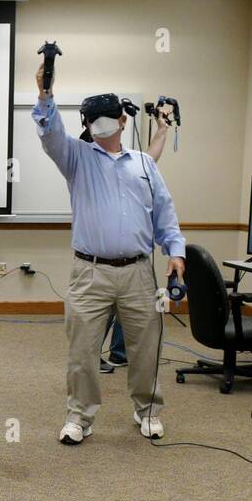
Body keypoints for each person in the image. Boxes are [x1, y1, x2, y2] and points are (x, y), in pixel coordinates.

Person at [34, 63, 186, 445]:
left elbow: (164, 212)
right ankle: (79, 417)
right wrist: (45, 94)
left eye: (108, 120)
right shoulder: (77, 158)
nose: (101, 127)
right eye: (94, 122)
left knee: (146, 347)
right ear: (87, 125)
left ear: (122, 120)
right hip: (91, 272)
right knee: (83, 349)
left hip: (138, 272)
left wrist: (176, 252)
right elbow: (51, 136)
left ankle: (147, 410)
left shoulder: (145, 165)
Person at [101, 104, 176, 374]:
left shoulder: (135, 163)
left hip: (133, 260)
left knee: (129, 307)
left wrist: (162, 129)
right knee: (105, 307)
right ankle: (95, 354)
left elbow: (148, 160)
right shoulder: (88, 158)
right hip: (100, 260)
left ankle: (120, 353)